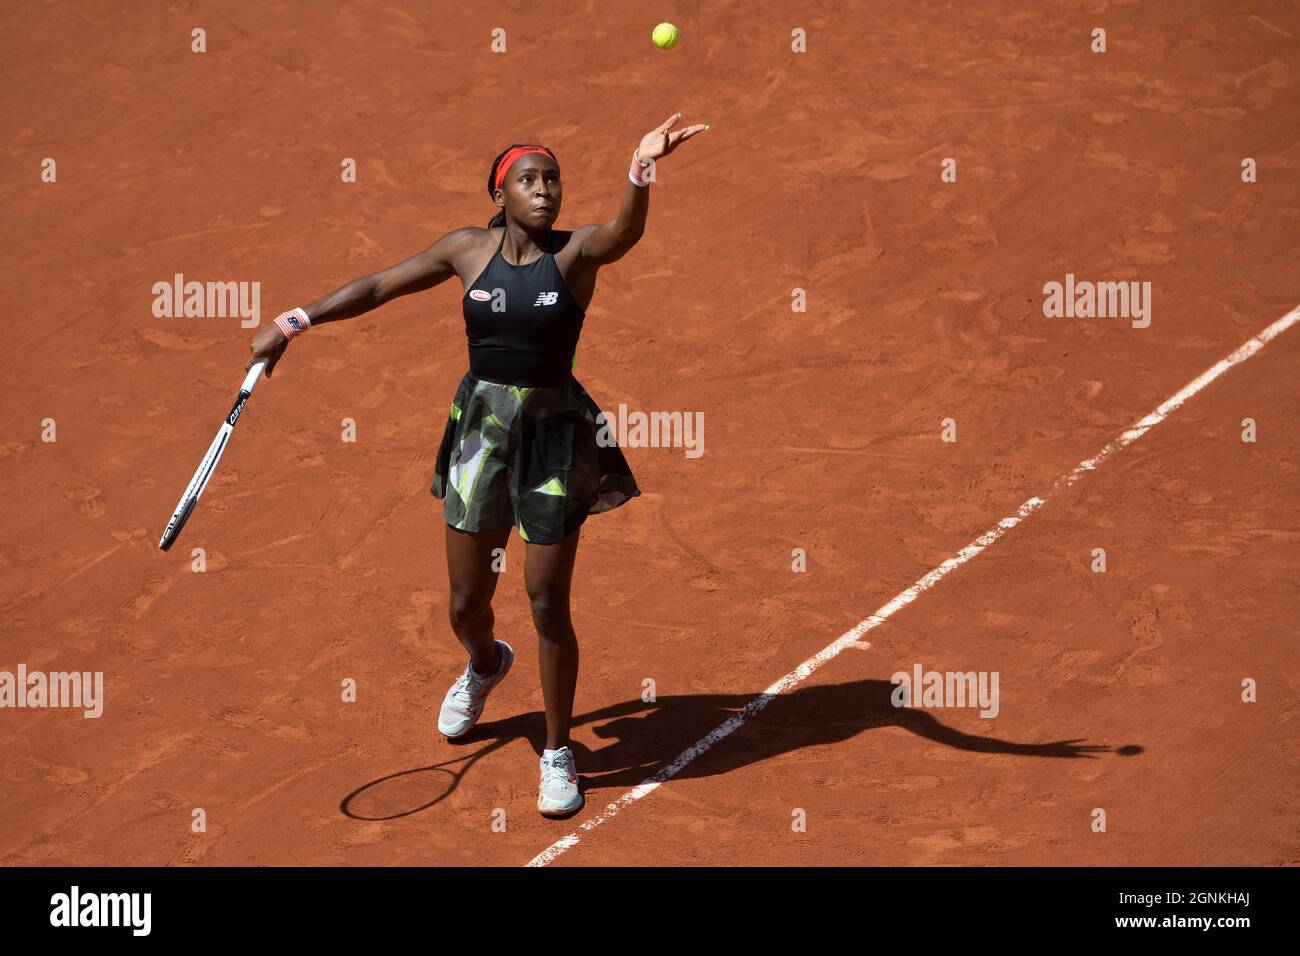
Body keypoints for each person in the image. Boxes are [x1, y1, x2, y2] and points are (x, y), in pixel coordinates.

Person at [246, 113, 709, 817]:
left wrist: (641, 169)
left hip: (555, 437)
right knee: (466, 604)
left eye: (552, 179)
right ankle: (487, 664)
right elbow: (379, 286)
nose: (545, 190)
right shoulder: (466, 250)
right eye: (529, 180)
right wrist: (293, 322)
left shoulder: (577, 252)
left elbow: (625, 234)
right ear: (501, 196)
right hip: (480, 435)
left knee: (548, 600)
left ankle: (558, 751)